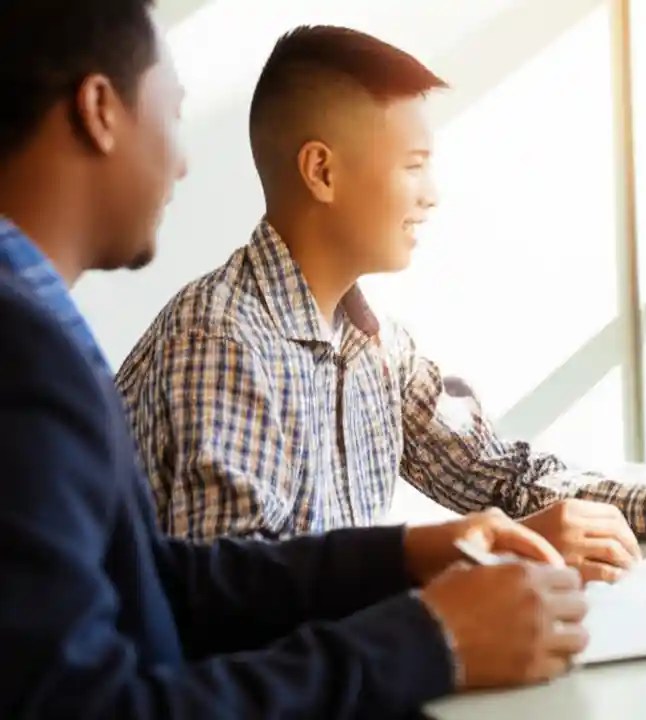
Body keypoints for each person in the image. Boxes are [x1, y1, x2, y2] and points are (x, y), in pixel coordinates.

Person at [0, 2, 590, 716]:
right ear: (100, 110)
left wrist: (405, 555)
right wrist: (432, 637)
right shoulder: (31, 356)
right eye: (174, 112)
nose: (184, 160)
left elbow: (153, 581)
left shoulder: (37, 327)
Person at [115, 24, 646, 579]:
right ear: (322, 171)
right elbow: (237, 601)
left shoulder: (373, 344)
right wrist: (476, 561)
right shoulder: (223, 340)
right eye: (412, 164)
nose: (431, 193)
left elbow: (501, 479)